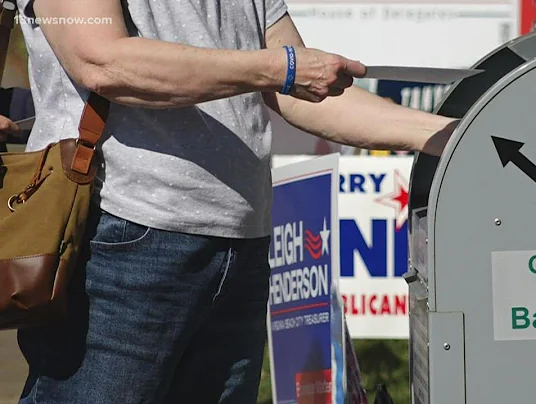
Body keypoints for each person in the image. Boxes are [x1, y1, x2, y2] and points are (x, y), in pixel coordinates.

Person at [14, 0, 459, 403]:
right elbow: (102, 61)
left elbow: (301, 91)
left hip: (241, 244)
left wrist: (450, 134)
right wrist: (277, 68)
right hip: (119, 237)